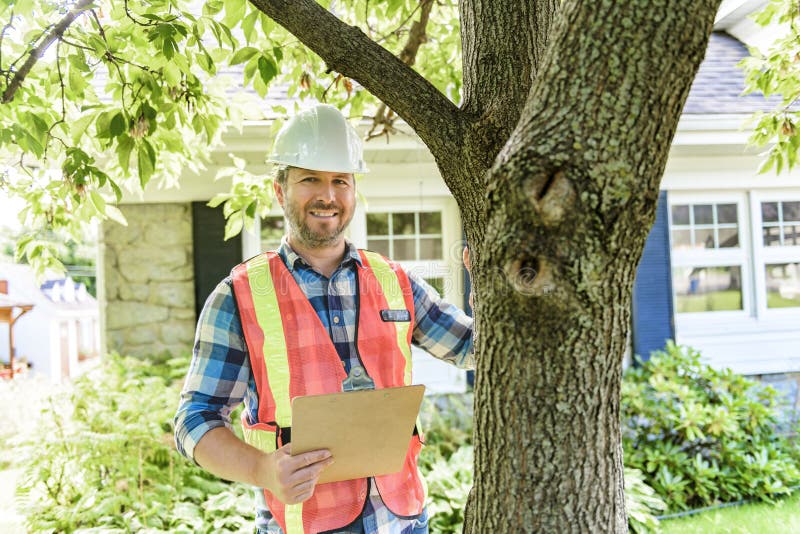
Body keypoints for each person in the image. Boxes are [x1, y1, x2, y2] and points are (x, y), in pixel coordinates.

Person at [174, 104, 474, 534]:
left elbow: (472, 347)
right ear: (280, 191)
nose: (327, 195)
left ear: (353, 191)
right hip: (300, 524)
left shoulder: (395, 282)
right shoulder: (238, 296)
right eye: (309, 179)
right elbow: (194, 419)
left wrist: (497, 286)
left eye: (340, 181)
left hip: (402, 521)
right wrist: (262, 468)